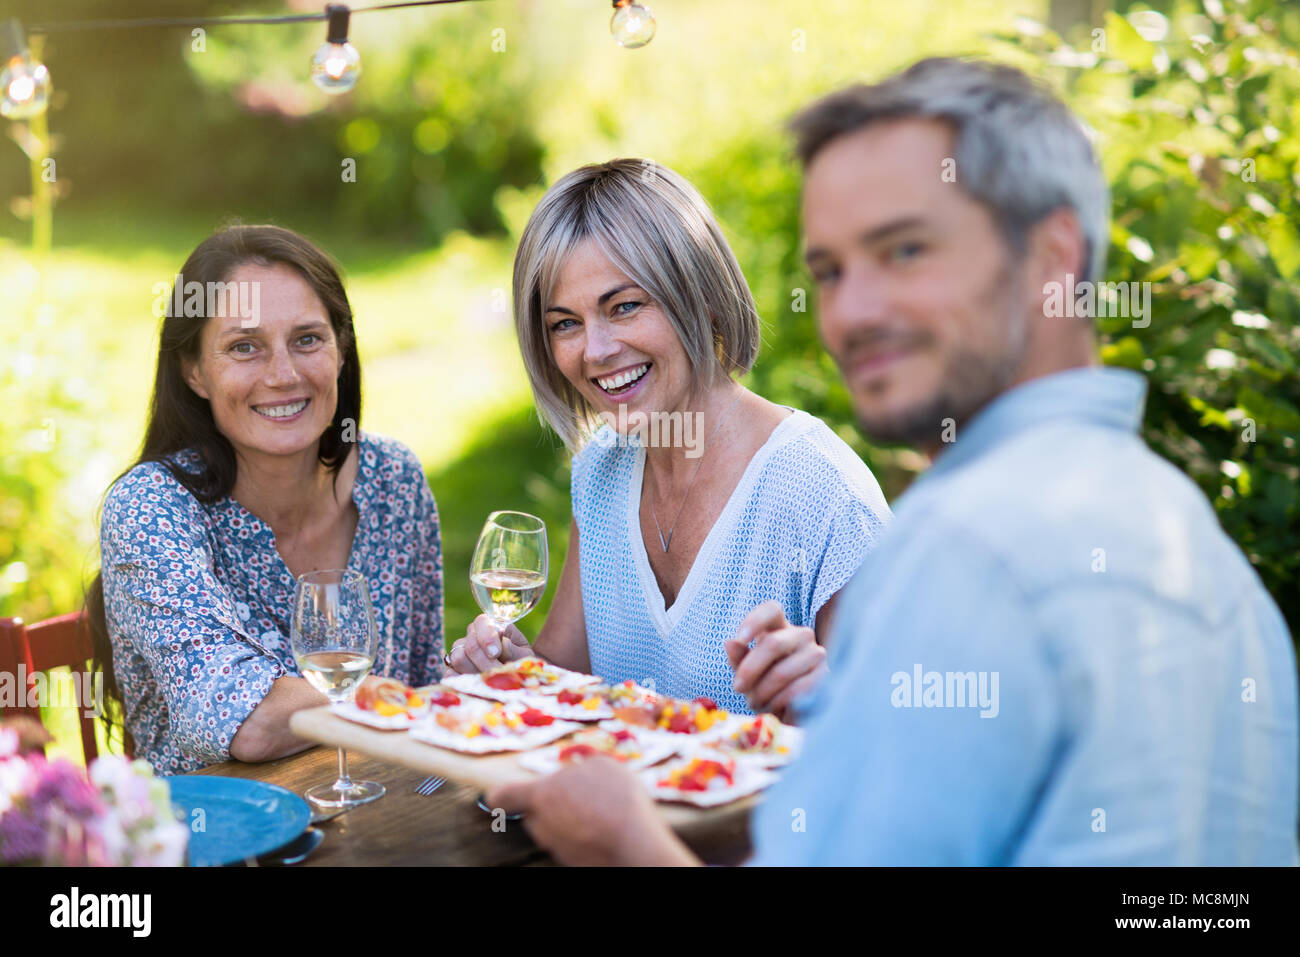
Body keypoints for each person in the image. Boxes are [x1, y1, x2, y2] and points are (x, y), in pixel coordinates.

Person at [486, 57, 1300, 865]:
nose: (852, 312)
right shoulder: (1184, 532)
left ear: (1053, 258)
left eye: (905, 250)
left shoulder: (970, 555)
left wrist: (625, 842)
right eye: (831, 272)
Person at [444, 159, 891, 719]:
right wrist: (509, 671)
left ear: (700, 297)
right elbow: (569, 675)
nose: (596, 350)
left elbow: (894, 744)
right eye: (565, 323)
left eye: (624, 306)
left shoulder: (824, 495)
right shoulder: (600, 471)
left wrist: (825, 699)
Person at [88, 224, 444, 775]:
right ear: (195, 372)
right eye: (244, 347)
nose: (283, 375)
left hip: (383, 824)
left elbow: (427, 686)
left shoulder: (391, 479)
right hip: (222, 845)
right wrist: (378, 696)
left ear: (341, 350)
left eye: (307, 339)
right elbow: (242, 722)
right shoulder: (153, 509)